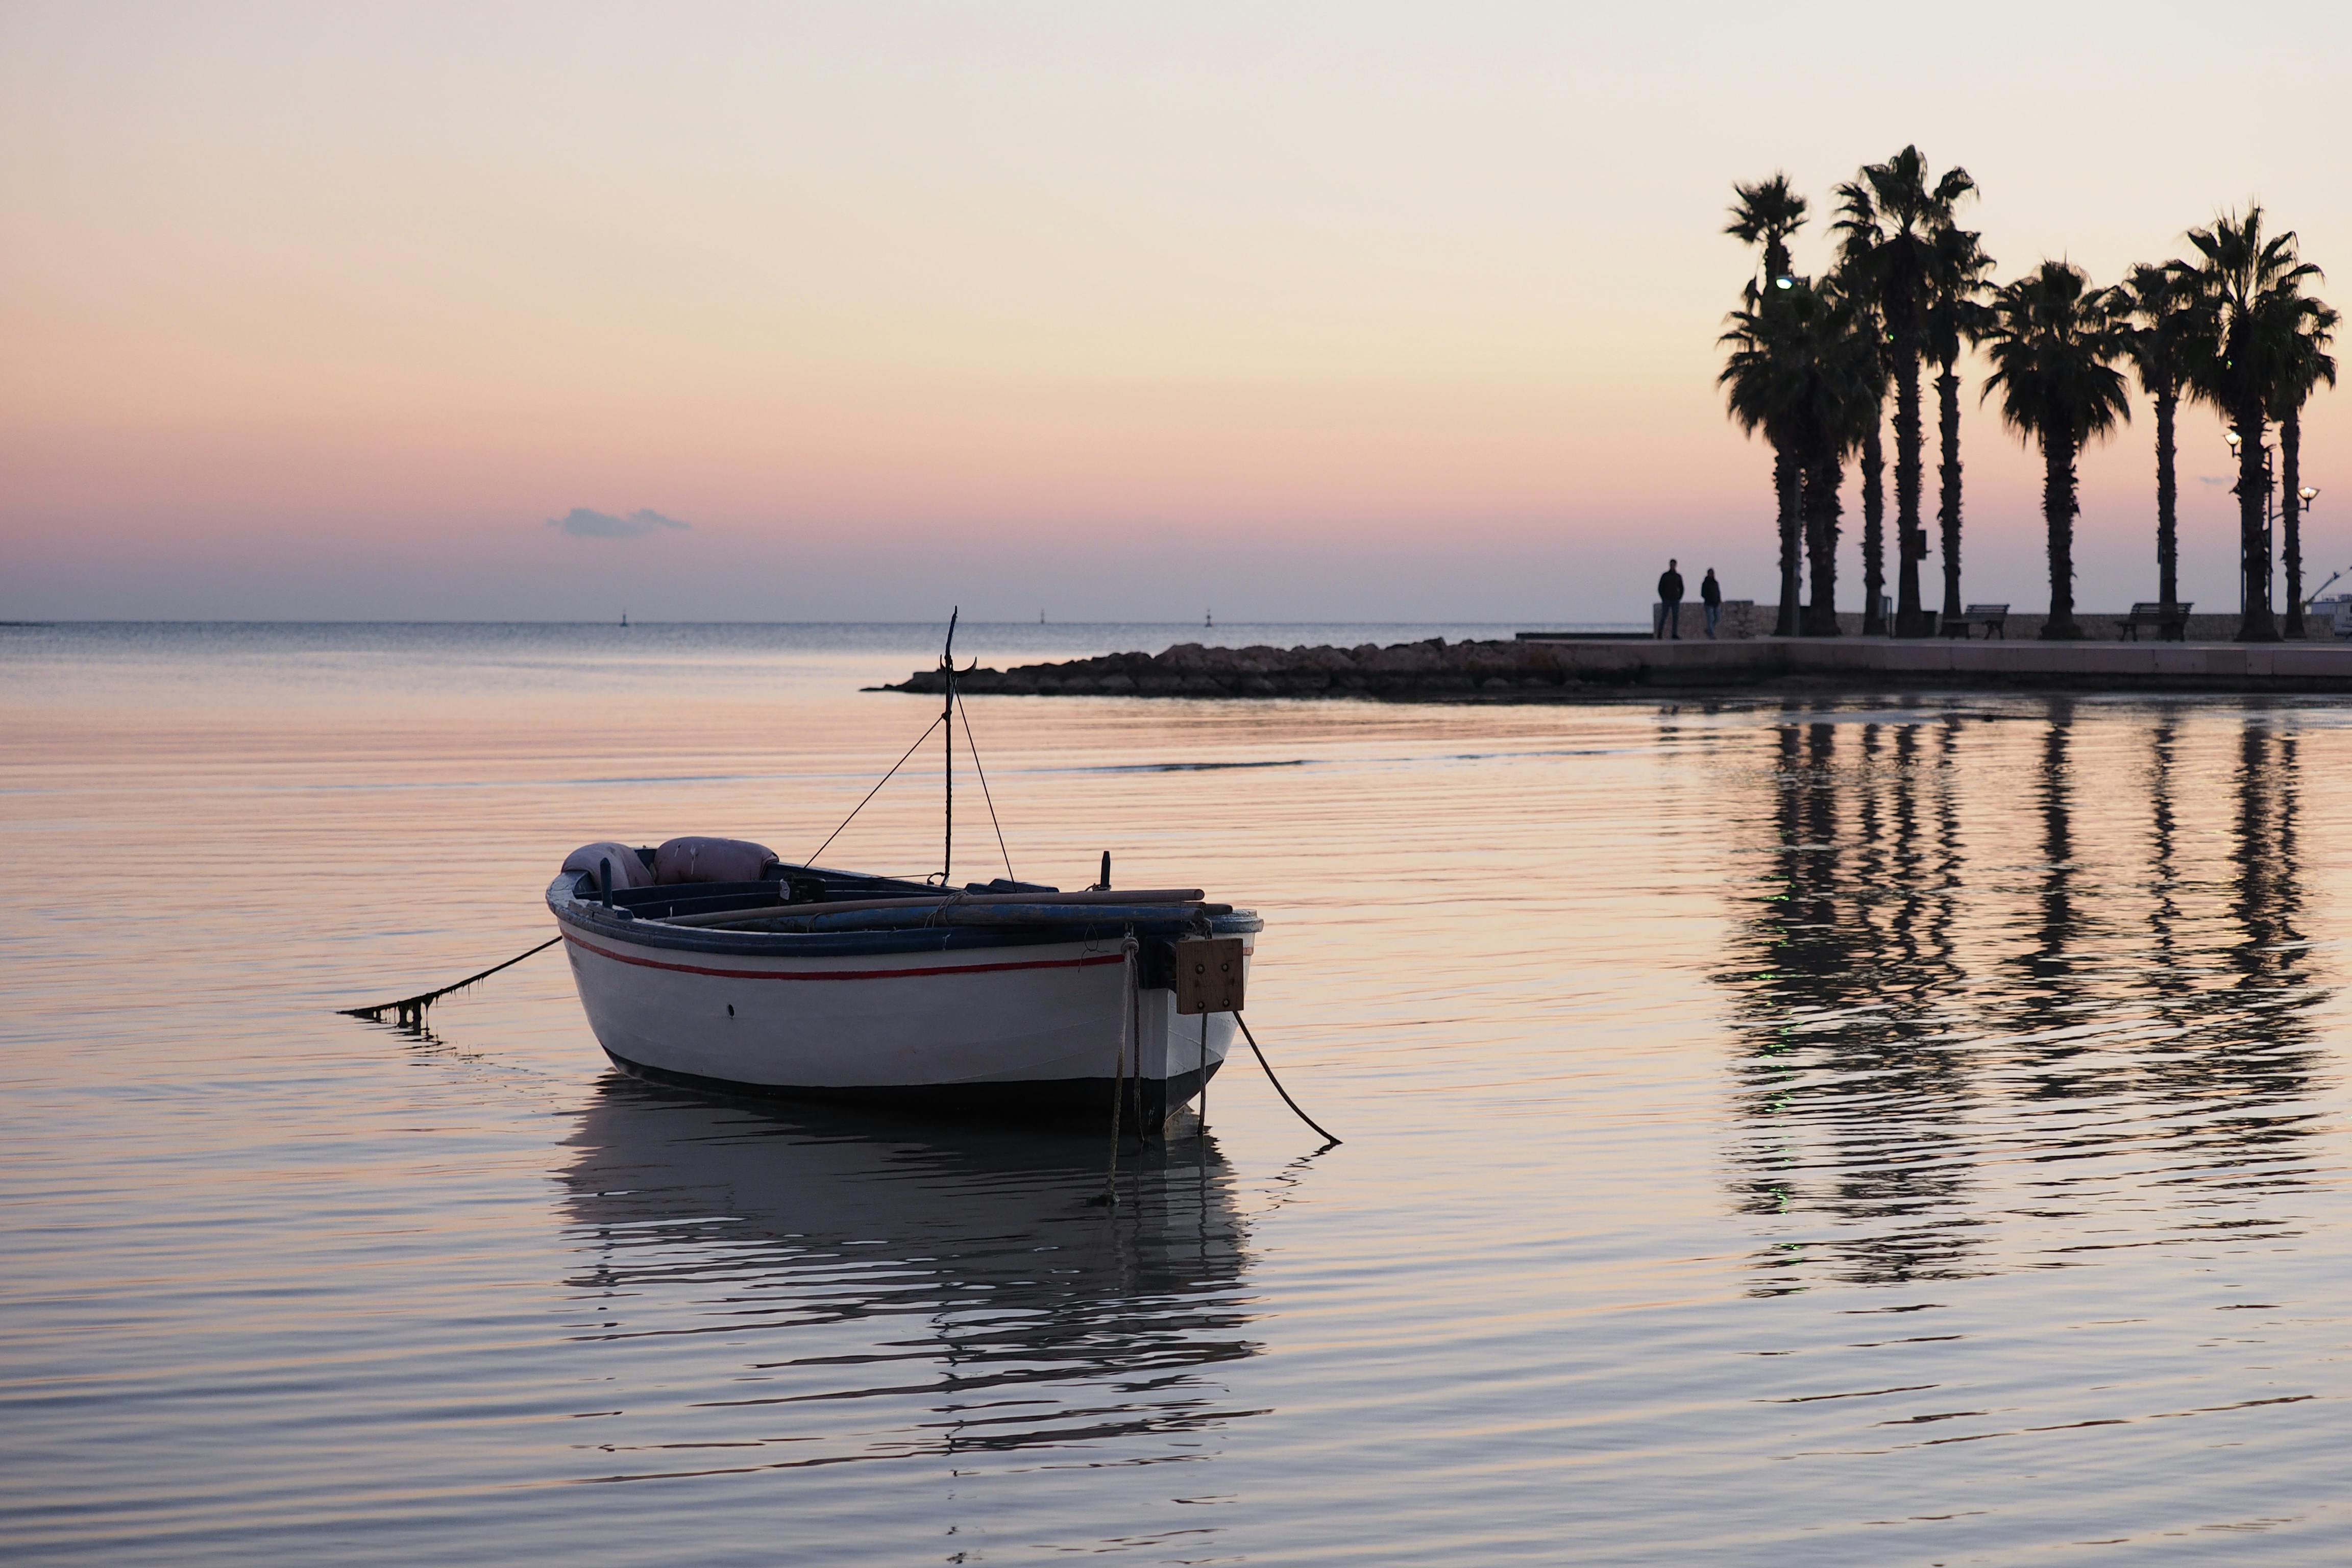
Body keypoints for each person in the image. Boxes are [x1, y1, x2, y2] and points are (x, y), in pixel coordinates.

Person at [1656, 558, 1685, 640]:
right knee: (1664, 616)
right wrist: (1663, 597)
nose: (1672, 566)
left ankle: (1674, 634)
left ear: (1676, 565)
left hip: (1675, 600)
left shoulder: (1678, 576)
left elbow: (1682, 588)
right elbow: (1660, 587)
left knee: (1675, 617)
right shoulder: (1665, 576)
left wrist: (1679, 597)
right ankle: (1660, 633)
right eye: (1671, 564)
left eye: (1674, 565)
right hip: (1667, 600)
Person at [1700, 568, 1723, 640]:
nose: (1712, 574)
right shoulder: (1705, 583)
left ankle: (1709, 630)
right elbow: (1703, 594)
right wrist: (1708, 598)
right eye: (1711, 573)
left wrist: (1719, 600)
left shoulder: (1716, 583)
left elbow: (1718, 592)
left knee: (1718, 618)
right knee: (1710, 619)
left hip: (1716, 603)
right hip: (1709, 604)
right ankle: (1712, 635)